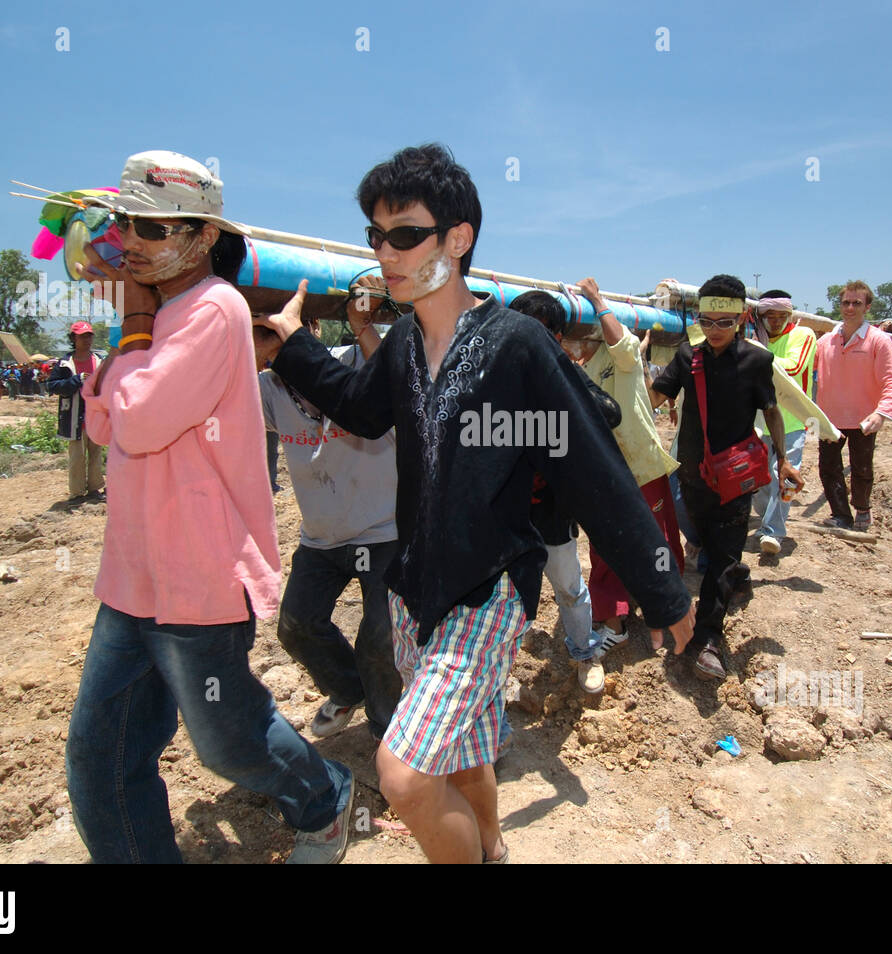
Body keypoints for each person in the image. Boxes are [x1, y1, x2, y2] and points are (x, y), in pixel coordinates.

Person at [262, 143, 694, 863]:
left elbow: (592, 472)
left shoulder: (516, 344)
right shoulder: (402, 343)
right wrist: (294, 347)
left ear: (457, 239)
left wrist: (663, 590)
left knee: (402, 774)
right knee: (460, 754)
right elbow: (361, 412)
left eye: (405, 234)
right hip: (411, 591)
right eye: (376, 236)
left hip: (488, 593)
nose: (385, 252)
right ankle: (490, 847)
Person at [65, 150, 354, 864]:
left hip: (196, 578)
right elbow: (104, 426)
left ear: (200, 237)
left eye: (154, 229)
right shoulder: (158, 318)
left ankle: (326, 798)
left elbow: (136, 421)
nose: (131, 240)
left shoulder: (214, 310)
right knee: (99, 756)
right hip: (131, 579)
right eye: (128, 222)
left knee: (228, 742)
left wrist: (133, 322)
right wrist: (131, 330)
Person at [250, 294, 403, 742]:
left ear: (309, 326)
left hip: (385, 532)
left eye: (276, 329)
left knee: (379, 640)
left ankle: (386, 731)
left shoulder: (351, 359)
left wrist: (361, 325)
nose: (270, 342)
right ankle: (347, 688)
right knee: (297, 626)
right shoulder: (267, 388)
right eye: (261, 332)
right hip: (322, 538)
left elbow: (402, 380)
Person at [650, 275, 803, 680]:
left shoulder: (756, 361)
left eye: (724, 322)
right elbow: (653, 396)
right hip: (693, 474)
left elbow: (770, 409)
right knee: (706, 541)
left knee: (720, 555)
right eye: (707, 321)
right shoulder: (687, 357)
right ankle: (738, 576)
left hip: (736, 477)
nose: (714, 330)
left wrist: (783, 460)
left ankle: (709, 641)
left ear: (740, 319)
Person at [508, 289, 623, 692]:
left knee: (570, 590)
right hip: (503, 518)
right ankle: (494, 675)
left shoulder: (565, 377)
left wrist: (559, 373)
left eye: (538, 336)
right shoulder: (492, 380)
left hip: (552, 515)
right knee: (503, 603)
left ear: (555, 340)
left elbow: (610, 413)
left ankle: (583, 652)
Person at [569, 276, 685, 655]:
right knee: (604, 548)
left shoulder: (623, 354)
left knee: (656, 541)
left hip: (642, 465)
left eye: (569, 337)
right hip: (606, 475)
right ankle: (615, 621)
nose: (565, 345)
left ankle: (666, 606)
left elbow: (621, 340)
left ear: (588, 333)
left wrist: (596, 299)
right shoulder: (578, 371)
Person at [813, 280, 892, 531]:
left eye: (856, 303)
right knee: (828, 468)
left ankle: (862, 508)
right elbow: (803, 367)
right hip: (830, 418)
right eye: (845, 302)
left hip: (864, 418)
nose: (850, 308)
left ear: (868, 307)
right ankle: (840, 514)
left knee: (862, 467)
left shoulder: (879, 341)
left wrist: (882, 412)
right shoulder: (825, 342)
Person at [749, 290, 815, 555]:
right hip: (759, 422)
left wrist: (753, 355)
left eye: (781, 316)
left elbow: (794, 366)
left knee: (784, 477)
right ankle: (770, 518)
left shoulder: (803, 335)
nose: (775, 322)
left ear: (790, 315)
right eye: (770, 316)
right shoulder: (757, 340)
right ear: (761, 317)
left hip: (792, 422)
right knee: (760, 480)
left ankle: (773, 531)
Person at [47, 321, 106, 500]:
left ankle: (95, 488)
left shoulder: (99, 361)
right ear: (74, 338)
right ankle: (77, 492)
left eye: (89, 336)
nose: (86, 340)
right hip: (73, 415)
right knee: (77, 455)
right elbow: (52, 386)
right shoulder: (65, 364)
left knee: (96, 453)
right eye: (82, 336)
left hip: (95, 414)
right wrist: (75, 381)